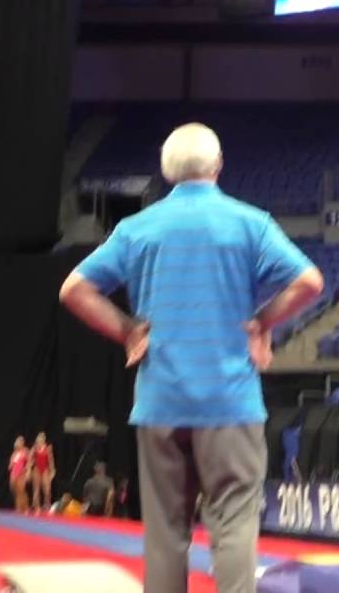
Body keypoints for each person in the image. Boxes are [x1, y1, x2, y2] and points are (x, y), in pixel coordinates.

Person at [60, 122, 324, 593]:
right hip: (230, 402)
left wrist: (125, 330)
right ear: (219, 166)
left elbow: (74, 289)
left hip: (161, 402)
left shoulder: (136, 228)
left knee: (165, 536)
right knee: (234, 527)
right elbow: (309, 282)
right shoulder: (249, 223)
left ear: (166, 172)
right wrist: (263, 323)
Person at [30, 432, 55, 512]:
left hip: (45, 469)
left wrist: (52, 470)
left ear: (44, 440)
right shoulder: (34, 448)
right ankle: (36, 506)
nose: (40, 441)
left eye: (42, 439)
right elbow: (30, 460)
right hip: (37, 469)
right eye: (38, 439)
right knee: (36, 489)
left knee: (47, 489)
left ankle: (47, 505)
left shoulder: (48, 448)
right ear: (37, 440)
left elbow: (51, 460)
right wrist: (28, 470)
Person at [8, 436, 32, 513]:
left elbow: (29, 462)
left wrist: (28, 472)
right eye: (17, 442)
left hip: (22, 473)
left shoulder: (25, 451)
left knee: (22, 491)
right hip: (14, 474)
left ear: (22, 443)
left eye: (19, 442)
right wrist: (11, 465)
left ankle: (26, 508)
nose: (17, 443)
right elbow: (11, 465)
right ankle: (18, 508)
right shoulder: (14, 453)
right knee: (17, 492)